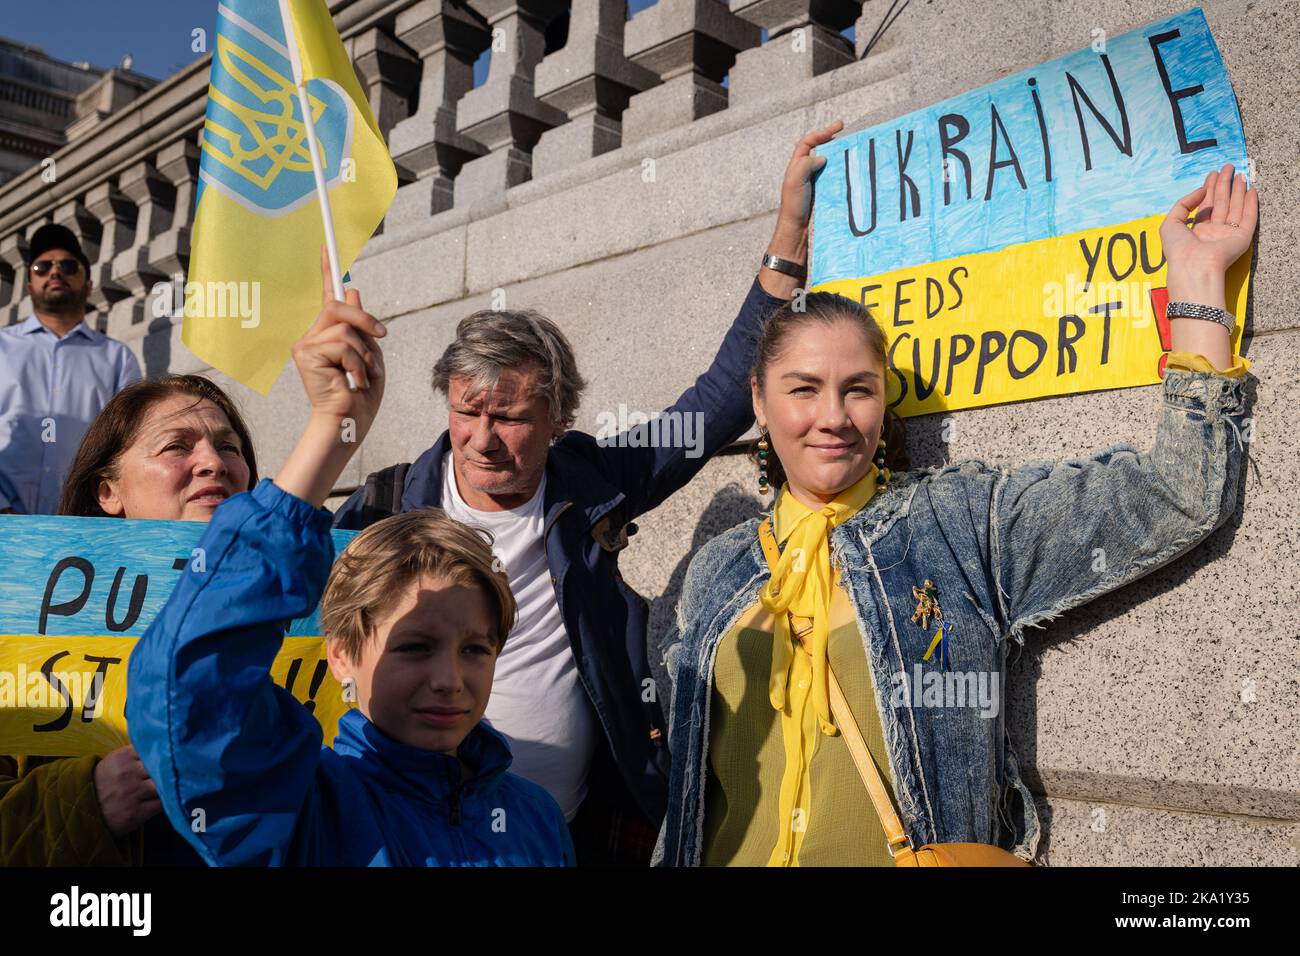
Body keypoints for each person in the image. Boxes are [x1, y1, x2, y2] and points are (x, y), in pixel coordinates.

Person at [654, 165, 1258, 866]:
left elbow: (1179, 494)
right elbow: (690, 802)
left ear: (885, 403)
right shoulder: (717, 569)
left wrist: (1198, 287)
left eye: (858, 390)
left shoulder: (958, 525)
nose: (832, 418)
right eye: (803, 389)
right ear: (759, 404)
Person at [332, 124, 844, 863]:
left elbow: (716, 405)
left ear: (559, 418)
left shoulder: (591, 484)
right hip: (406, 838)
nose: (482, 437)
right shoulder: (383, 511)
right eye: (466, 412)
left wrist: (789, 232)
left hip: (569, 834)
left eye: (508, 416)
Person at [126, 268, 573, 866]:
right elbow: (187, 689)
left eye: (475, 649)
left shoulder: (536, 817)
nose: (449, 678)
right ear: (341, 654)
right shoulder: (301, 806)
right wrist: (329, 432)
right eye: (414, 647)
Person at [0, 374, 259, 865]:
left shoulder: (307, 607)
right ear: (108, 492)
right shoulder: (13, 624)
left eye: (229, 447)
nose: (212, 463)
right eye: (176, 446)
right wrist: (85, 799)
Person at [0, 224, 142, 516]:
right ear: (29, 286)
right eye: (42, 266)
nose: (55, 272)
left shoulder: (117, 358)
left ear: (88, 284)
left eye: (67, 265)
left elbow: (129, 443)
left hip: (81, 527)